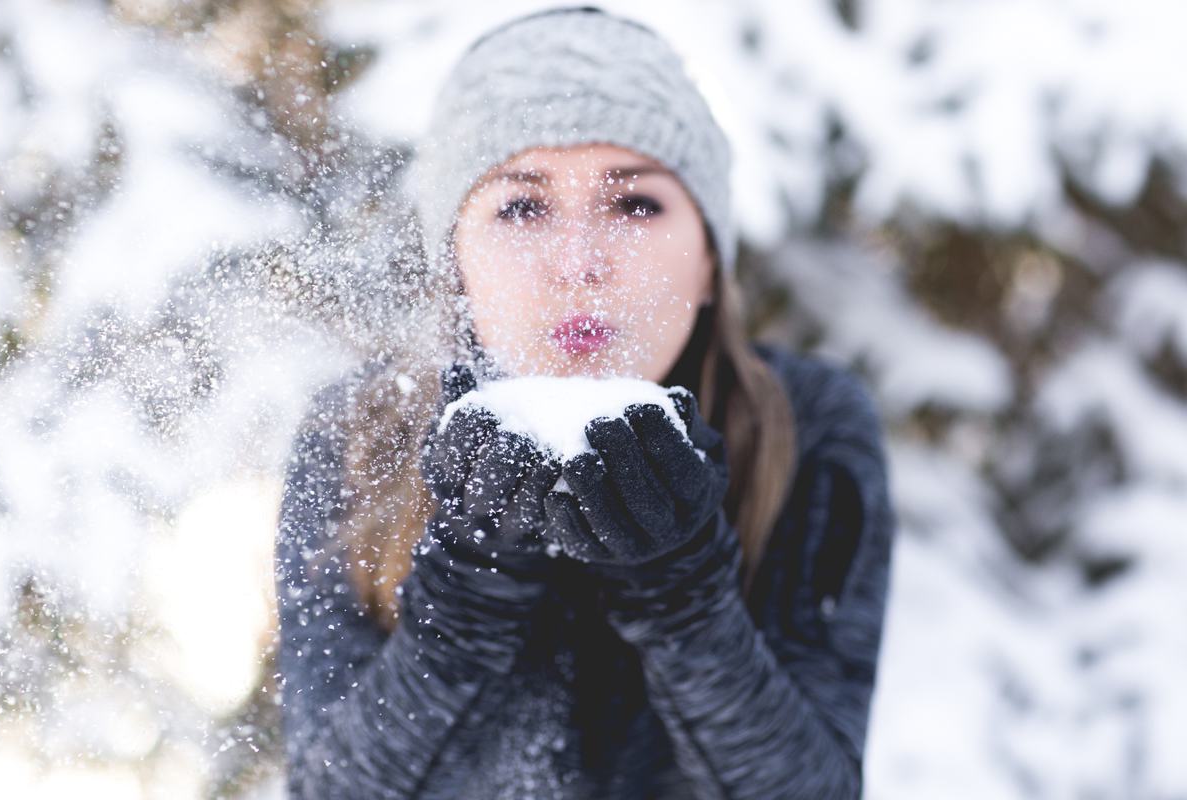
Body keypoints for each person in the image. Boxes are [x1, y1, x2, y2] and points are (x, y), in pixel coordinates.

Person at [273, 6, 895, 799]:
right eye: (522, 205)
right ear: (455, 258)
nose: (578, 263)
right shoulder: (361, 436)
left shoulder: (803, 430)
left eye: (635, 203)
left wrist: (684, 594)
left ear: (708, 259)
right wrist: (470, 585)